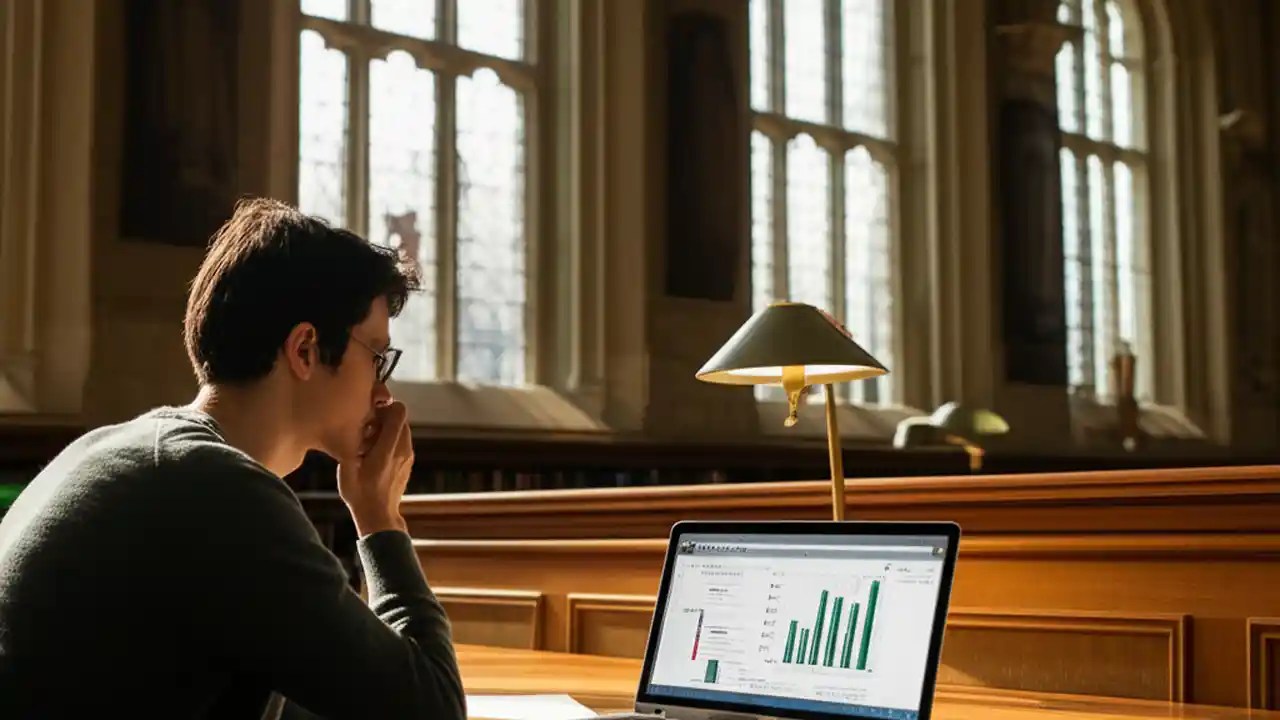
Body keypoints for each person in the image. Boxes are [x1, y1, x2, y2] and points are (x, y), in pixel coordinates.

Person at [0, 198, 465, 719]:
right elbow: (432, 711)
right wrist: (380, 518)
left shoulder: (121, 451)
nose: (384, 394)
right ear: (306, 349)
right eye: (377, 357)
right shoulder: (215, 491)